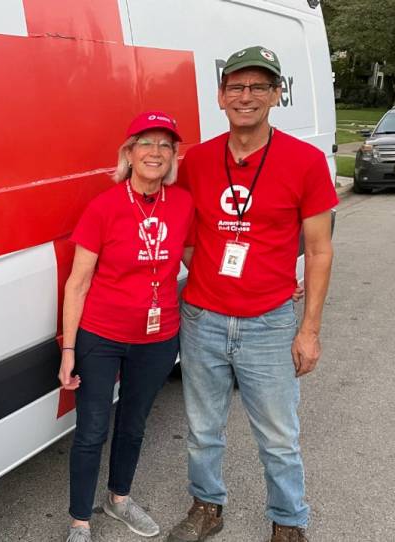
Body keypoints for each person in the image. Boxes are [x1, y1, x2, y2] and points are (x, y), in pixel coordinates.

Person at [166, 46, 337, 542]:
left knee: (279, 438)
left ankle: (289, 523)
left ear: (276, 95)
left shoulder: (303, 161)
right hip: (203, 319)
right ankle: (206, 507)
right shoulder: (196, 161)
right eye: (236, 87)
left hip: (270, 321)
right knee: (202, 429)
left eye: (259, 87)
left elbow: (320, 251)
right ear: (221, 96)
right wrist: (217, 279)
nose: (246, 96)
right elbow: (189, 237)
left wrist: (309, 329)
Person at [59, 111, 194, 541]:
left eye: (165, 145)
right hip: (101, 336)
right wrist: (68, 350)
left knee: (134, 424)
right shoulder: (104, 207)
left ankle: (119, 499)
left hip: (157, 338)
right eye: (146, 143)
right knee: (92, 430)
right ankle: (80, 520)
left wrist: (270, 286)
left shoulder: (184, 204)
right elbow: (77, 284)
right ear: (129, 153)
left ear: (173, 156)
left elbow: (198, 262)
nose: (155, 152)